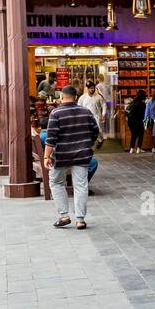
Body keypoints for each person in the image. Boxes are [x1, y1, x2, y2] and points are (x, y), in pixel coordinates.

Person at [43, 85, 98, 230]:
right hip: (82, 155)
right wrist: (87, 144)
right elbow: (95, 131)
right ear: (76, 97)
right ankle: (80, 220)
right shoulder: (86, 112)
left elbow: (51, 138)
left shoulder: (56, 113)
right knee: (81, 185)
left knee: (56, 183)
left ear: (61, 97)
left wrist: (46, 156)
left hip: (61, 156)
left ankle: (64, 216)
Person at [78, 81, 107, 147]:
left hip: (97, 116)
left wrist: (103, 114)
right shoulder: (82, 97)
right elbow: (79, 107)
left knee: (99, 130)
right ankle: (91, 142)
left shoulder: (99, 97)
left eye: (93, 88)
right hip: (86, 117)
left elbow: (104, 105)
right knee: (88, 130)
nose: (92, 89)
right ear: (87, 89)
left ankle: (100, 140)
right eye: (91, 88)